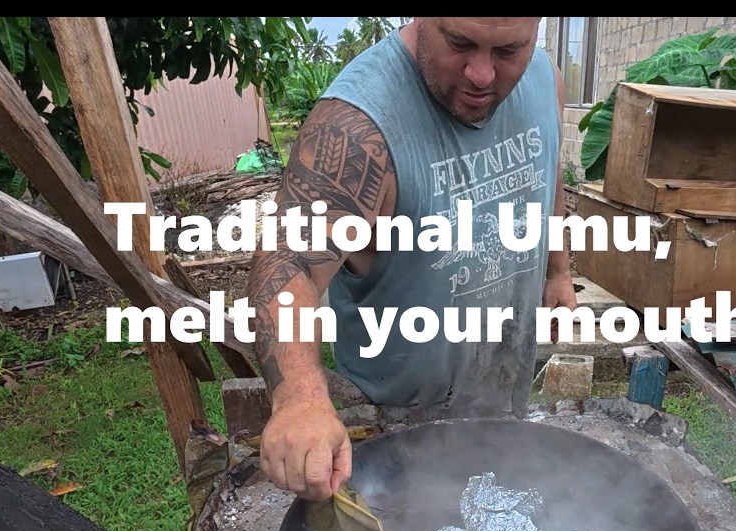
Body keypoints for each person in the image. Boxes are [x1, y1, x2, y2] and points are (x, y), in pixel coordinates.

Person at [243, 18, 576, 501]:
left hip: (499, 404)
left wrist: (558, 271)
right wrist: (299, 397)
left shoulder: (545, 78)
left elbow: (548, 170)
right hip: (391, 435)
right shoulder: (359, 123)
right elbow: (285, 261)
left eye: (508, 51)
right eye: (460, 43)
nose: (482, 74)